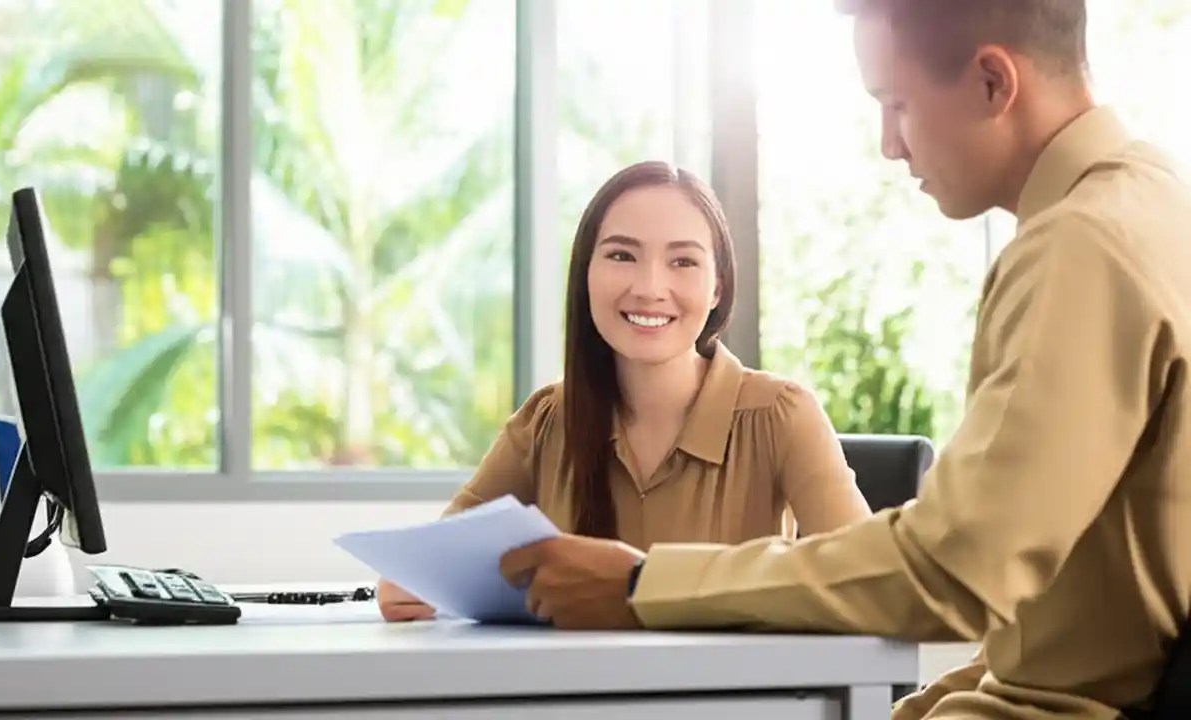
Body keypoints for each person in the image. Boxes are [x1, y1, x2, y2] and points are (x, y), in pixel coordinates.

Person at [497, 1, 1191, 718]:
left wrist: (644, 584)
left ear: (992, 82)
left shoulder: (1078, 249)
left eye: (897, 105)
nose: (890, 144)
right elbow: (1054, 624)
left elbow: (954, 569)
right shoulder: (1154, 199)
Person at [378, 160, 872, 621]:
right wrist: (413, 585)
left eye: (682, 262)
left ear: (718, 288)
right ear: (585, 275)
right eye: (621, 255)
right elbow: (431, 567)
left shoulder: (781, 415)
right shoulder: (547, 420)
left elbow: (864, 582)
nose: (649, 287)